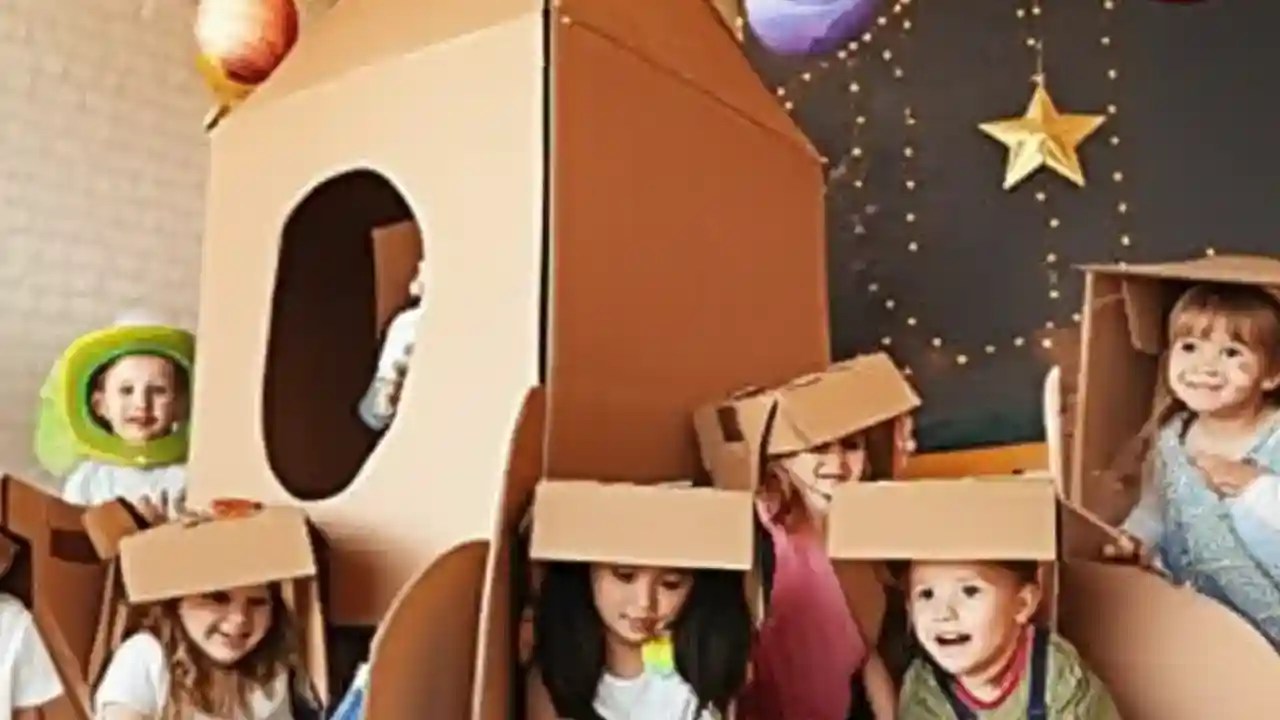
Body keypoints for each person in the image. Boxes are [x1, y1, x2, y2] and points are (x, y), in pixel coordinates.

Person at [1105, 283, 1280, 645]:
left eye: (1231, 352)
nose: (1205, 366)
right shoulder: (1172, 437)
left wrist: (1254, 486)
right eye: (1189, 347)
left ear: (1272, 374)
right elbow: (1156, 507)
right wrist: (1133, 538)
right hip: (1201, 611)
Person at [526, 562, 751, 719]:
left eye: (671, 583)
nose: (645, 602)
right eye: (624, 575)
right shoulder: (557, 667)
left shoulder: (708, 660)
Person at [897, 560, 1118, 719]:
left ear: (1022, 604)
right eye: (926, 594)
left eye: (970, 591)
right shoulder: (923, 688)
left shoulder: (1058, 676)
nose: (944, 613)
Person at [36, 312, 194, 516]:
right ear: (100, 405)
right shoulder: (87, 480)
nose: (141, 403)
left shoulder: (188, 477)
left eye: (158, 390)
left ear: (181, 405)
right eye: (126, 390)